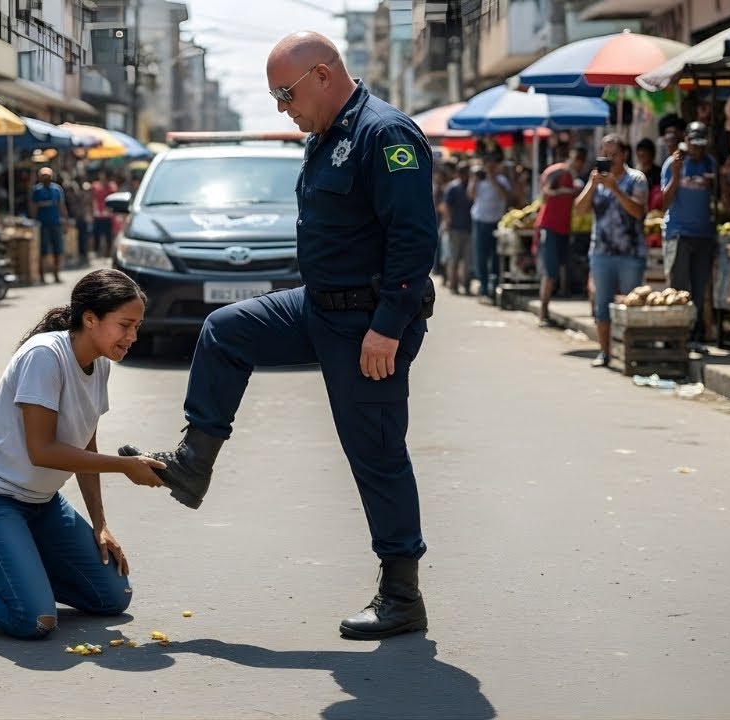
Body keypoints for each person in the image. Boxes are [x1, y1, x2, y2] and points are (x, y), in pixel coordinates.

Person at [118, 31, 437, 641]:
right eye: (275, 98)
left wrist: (387, 328)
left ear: (323, 75)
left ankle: (402, 595)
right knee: (225, 330)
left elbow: (414, 238)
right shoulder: (325, 136)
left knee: (375, 455)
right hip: (318, 308)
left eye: (285, 94)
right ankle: (192, 465)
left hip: (367, 324)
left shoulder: (384, 134)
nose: (282, 107)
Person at [0, 269, 165, 637]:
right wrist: (124, 466)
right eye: (125, 325)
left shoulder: (100, 363)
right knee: (35, 620)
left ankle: (5, 572)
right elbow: (42, 451)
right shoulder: (45, 356)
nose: (132, 336)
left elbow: (85, 443)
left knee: (113, 596)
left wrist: (101, 524)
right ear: (90, 319)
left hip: (42, 504)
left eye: (136, 326)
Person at [575, 134, 648, 369]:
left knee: (631, 305)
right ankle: (604, 352)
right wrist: (592, 184)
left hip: (630, 253)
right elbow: (579, 210)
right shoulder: (596, 181)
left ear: (624, 154)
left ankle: (631, 353)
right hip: (601, 252)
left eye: (614, 154)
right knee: (602, 305)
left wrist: (615, 189)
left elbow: (638, 212)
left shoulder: (636, 179)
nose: (610, 159)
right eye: (605, 155)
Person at [662, 121, 718, 347]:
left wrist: (721, 180)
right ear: (686, 141)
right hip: (680, 234)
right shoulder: (673, 163)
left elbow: (721, 198)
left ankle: (695, 334)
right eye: (694, 145)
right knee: (678, 287)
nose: (698, 150)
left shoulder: (710, 163)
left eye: (701, 146)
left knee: (699, 289)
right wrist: (676, 175)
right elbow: (664, 202)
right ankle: (675, 336)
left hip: (704, 235)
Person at [535, 147, 586, 327]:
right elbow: (545, 192)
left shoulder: (574, 177)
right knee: (550, 272)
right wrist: (565, 191)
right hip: (550, 226)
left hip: (564, 228)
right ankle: (543, 313)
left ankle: (548, 309)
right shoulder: (558, 171)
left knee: (559, 270)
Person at [468, 152, 512, 303]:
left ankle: (494, 288)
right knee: (481, 256)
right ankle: (484, 289)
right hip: (481, 221)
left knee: (496, 256)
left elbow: (505, 196)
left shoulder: (501, 180)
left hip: (496, 222)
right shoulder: (479, 180)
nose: (491, 168)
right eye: (488, 165)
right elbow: (471, 195)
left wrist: (493, 180)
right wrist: (474, 180)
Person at [30, 167, 68, 284]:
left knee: (58, 249)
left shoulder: (57, 189)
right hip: (42, 224)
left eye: (47, 175)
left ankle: (56, 274)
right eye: (43, 176)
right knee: (43, 250)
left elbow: (62, 206)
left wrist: (65, 220)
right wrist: (34, 222)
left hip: (55, 223)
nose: (46, 178)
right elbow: (33, 207)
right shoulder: (36, 190)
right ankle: (42, 274)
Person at [440, 162, 473, 295]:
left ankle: (466, 285)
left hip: (469, 227)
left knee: (467, 259)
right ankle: (453, 285)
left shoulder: (472, 186)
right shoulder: (453, 187)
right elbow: (446, 206)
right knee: (454, 258)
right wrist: (447, 221)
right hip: (455, 227)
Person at [90, 169, 118, 258]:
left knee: (108, 235)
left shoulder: (111, 186)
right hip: (97, 214)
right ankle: (96, 251)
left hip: (107, 215)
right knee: (96, 234)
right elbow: (91, 197)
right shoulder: (95, 185)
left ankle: (108, 253)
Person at [634, 138, 663, 211]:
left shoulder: (659, 173)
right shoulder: (632, 173)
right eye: (639, 150)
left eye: (645, 150)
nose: (641, 153)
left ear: (651, 153)